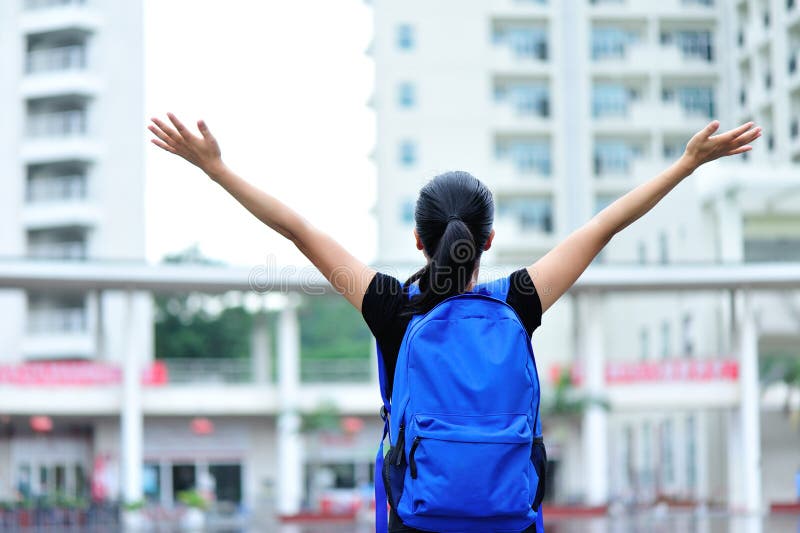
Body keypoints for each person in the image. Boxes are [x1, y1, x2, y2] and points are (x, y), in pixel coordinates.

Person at [148, 114, 760, 532]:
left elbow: (299, 230)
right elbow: (603, 226)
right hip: (509, 516)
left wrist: (216, 169)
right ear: (489, 239)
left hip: (420, 516)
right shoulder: (520, 300)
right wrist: (687, 163)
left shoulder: (391, 307)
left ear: (418, 239)